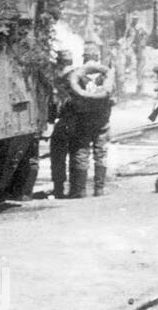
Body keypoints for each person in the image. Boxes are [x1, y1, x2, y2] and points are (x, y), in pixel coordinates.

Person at [66, 42, 115, 197]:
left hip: (83, 120)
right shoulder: (106, 74)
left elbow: (70, 95)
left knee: (81, 152)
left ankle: (80, 191)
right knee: (101, 153)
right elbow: (112, 95)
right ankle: (99, 189)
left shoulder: (76, 74)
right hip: (102, 119)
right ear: (97, 57)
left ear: (85, 57)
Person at [47, 49, 76, 198]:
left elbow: (53, 103)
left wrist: (50, 120)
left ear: (59, 62)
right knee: (77, 155)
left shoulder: (57, 79)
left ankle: (59, 189)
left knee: (58, 156)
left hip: (64, 122)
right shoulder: (80, 75)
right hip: (79, 122)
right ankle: (77, 189)